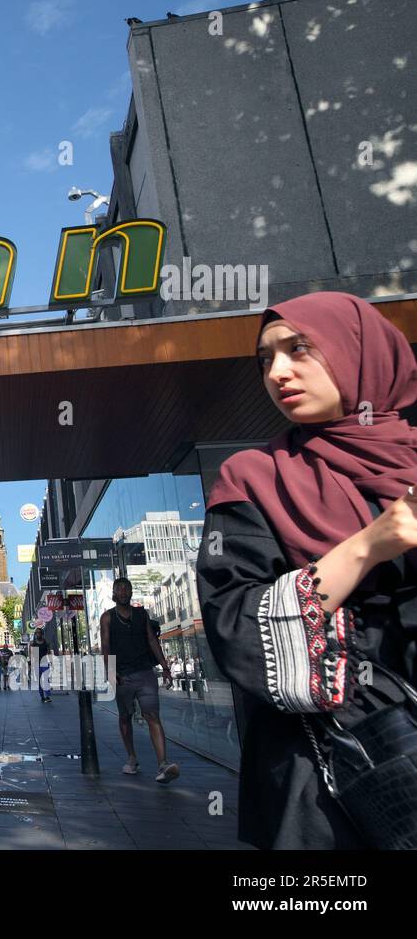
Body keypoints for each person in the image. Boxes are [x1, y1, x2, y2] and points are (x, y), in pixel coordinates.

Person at [196, 292, 417, 850]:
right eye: (266, 359)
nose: (278, 372)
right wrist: (369, 545)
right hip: (322, 774)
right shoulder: (252, 479)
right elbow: (236, 630)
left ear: (360, 351)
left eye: (299, 349)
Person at [100, 577, 179, 783]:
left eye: (127, 589)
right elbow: (106, 646)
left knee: (152, 715)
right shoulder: (107, 617)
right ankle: (132, 757)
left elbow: (152, 640)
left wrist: (164, 666)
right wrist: (111, 670)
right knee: (125, 716)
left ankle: (162, 764)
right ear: (114, 594)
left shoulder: (141, 614)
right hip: (123, 676)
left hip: (145, 672)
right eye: (120, 589)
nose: (124, 592)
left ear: (131, 592)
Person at [32, 627, 52, 703]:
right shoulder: (34, 644)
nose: (38, 634)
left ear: (42, 634)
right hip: (37, 663)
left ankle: (47, 695)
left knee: (46, 679)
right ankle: (42, 696)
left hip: (45, 663)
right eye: (36, 633)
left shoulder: (45, 642)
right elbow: (33, 655)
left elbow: (49, 652)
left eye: (39, 633)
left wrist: (51, 661)